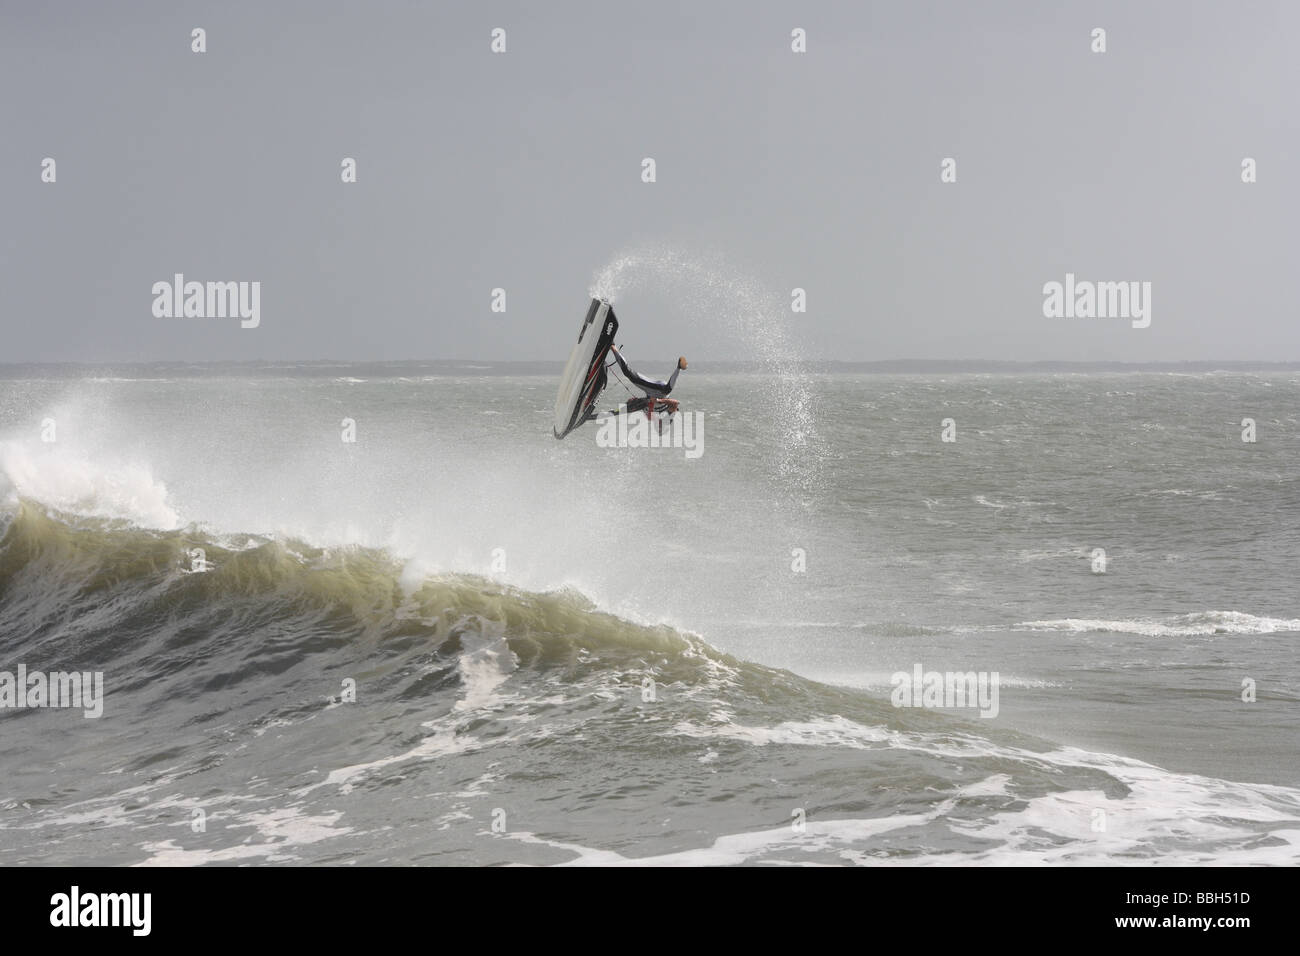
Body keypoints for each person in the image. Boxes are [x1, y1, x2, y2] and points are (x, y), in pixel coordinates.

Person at [609, 345, 687, 420]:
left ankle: (612, 346)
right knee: (666, 390)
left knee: (629, 374)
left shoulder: (652, 419)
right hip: (661, 391)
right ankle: (679, 367)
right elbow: (675, 403)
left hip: (650, 392)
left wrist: (635, 402)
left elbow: (647, 406)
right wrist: (659, 401)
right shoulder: (669, 416)